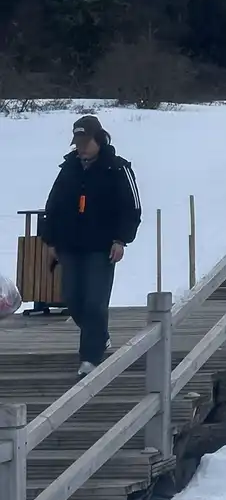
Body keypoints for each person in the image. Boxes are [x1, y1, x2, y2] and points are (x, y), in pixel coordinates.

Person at [39, 114, 141, 377]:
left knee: (95, 302)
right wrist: (50, 240)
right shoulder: (68, 169)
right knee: (74, 301)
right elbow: (53, 206)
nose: (81, 147)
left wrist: (121, 239)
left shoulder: (117, 168)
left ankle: (90, 358)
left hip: (102, 246)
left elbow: (131, 208)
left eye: (86, 141)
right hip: (70, 245)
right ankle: (99, 335)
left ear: (99, 139)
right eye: (77, 142)